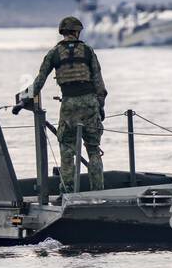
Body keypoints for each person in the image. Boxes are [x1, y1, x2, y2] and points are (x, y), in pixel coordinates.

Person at [21, 16, 107, 195]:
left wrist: (23, 98)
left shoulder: (54, 53)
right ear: (77, 32)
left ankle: (67, 193)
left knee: (67, 150)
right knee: (93, 150)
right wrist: (100, 106)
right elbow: (99, 82)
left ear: (63, 32)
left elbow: (39, 82)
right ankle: (98, 193)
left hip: (69, 105)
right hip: (90, 103)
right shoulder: (88, 51)